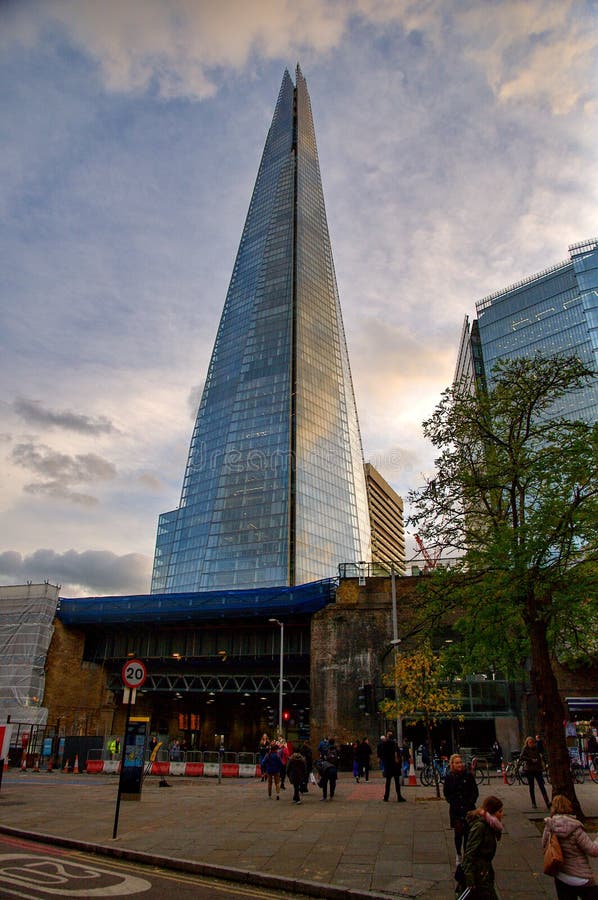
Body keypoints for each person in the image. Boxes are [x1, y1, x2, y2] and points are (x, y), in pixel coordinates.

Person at [542, 793, 598, 899]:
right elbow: (593, 851)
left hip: (561, 875)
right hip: (581, 876)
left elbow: (544, 845)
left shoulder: (549, 826)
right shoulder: (575, 829)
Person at [443, 752, 479, 887]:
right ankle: (459, 854)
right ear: (452, 765)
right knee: (458, 833)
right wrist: (453, 802)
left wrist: (470, 803)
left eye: (460, 762)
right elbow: (447, 793)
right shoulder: (449, 778)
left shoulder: (468, 776)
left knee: (469, 835)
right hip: (456, 810)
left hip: (469, 810)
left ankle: (467, 856)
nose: (459, 765)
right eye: (456, 763)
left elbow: (475, 792)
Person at [462, 795, 504, 900]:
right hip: (479, 872)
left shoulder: (490, 825)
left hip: (484, 871)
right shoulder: (480, 827)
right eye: (500, 811)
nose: (502, 814)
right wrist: (470, 877)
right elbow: (470, 852)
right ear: (492, 812)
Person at [520, 735, 550, 809]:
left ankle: (547, 802)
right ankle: (533, 802)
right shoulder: (525, 749)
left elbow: (540, 757)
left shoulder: (536, 748)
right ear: (527, 743)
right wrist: (530, 759)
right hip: (529, 770)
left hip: (537, 769)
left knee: (542, 786)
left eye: (532, 742)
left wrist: (542, 765)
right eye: (530, 742)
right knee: (531, 787)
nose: (531, 744)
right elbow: (521, 757)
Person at [379, 730, 406, 802]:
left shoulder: (384, 744)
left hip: (388, 765)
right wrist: (397, 758)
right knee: (397, 782)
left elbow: (382, 754)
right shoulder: (394, 743)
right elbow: (396, 752)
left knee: (388, 781)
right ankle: (399, 796)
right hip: (395, 765)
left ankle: (386, 797)